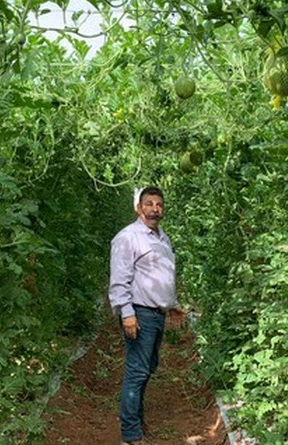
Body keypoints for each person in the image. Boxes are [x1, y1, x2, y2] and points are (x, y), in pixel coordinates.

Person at [108, 185, 181, 445]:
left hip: (156, 313)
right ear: (139, 208)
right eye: (149, 204)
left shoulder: (163, 239)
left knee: (147, 368)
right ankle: (130, 435)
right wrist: (126, 314)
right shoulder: (128, 238)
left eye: (159, 205)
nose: (155, 209)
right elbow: (119, 280)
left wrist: (172, 305)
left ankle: (135, 422)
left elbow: (162, 277)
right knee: (137, 372)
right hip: (139, 313)